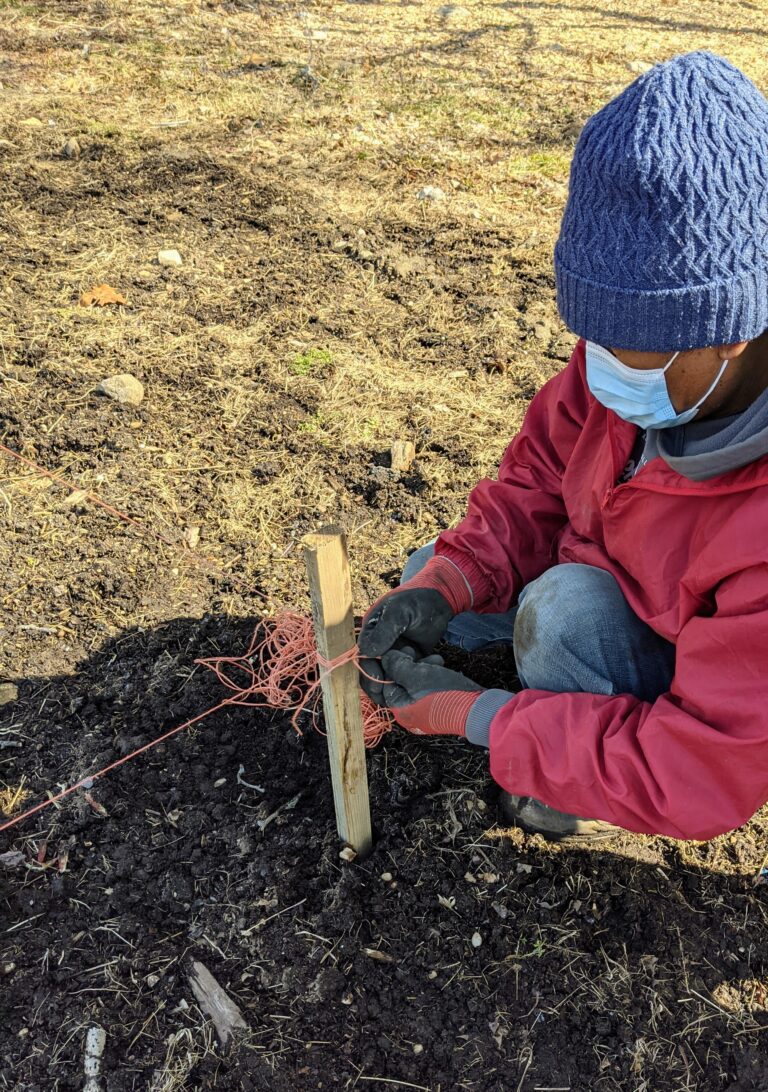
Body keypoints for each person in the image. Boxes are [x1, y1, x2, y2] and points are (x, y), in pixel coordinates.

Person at [357, 50, 768, 844]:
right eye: (593, 332)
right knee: (423, 577)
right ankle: (550, 700)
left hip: (705, 686)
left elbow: (702, 763)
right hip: (607, 561)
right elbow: (538, 480)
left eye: (631, 342)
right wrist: (453, 577)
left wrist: (484, 718)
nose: (598, 360)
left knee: (560, 618)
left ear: (730, 333)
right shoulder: (637, 358)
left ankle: (595, 785)